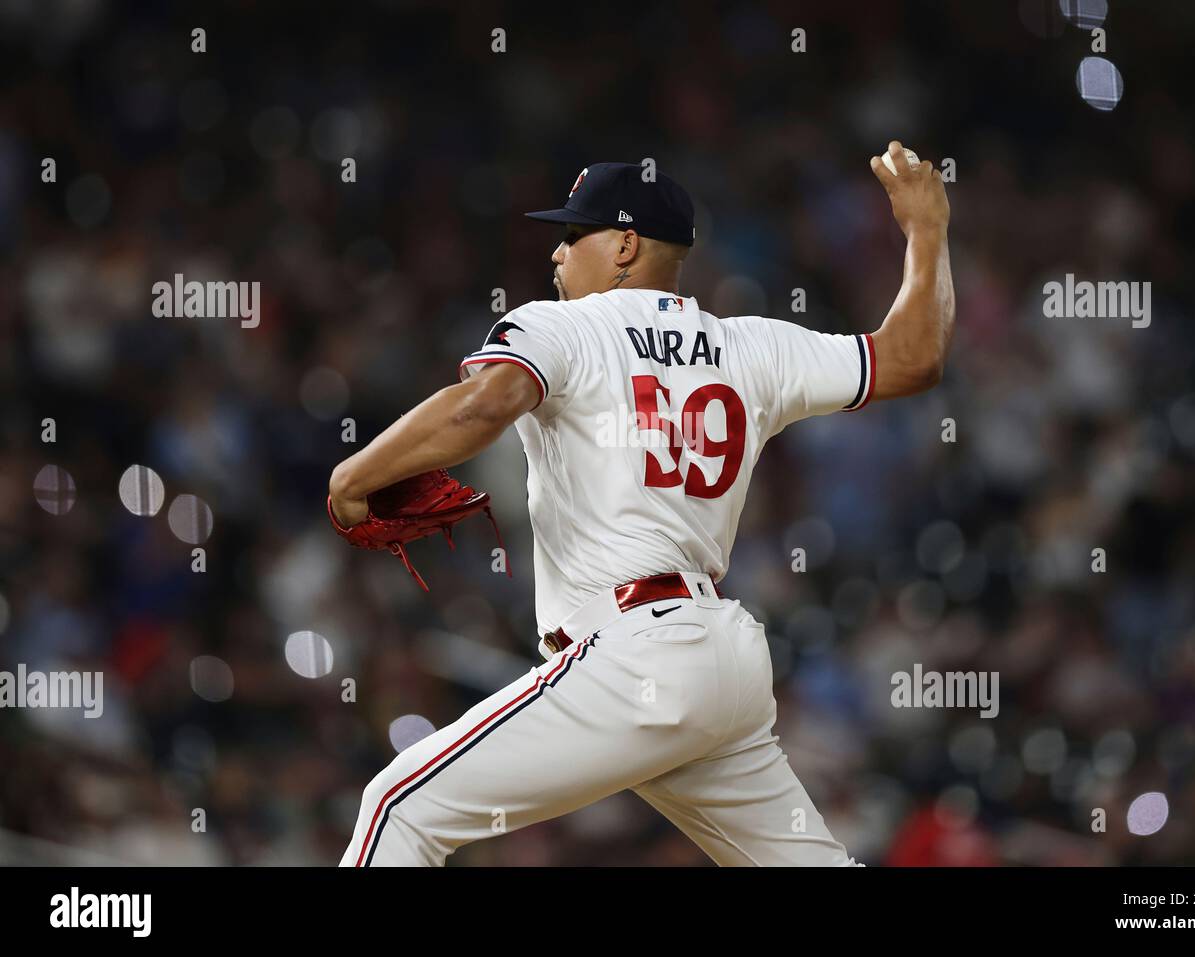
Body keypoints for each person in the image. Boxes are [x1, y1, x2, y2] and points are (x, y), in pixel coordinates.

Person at [329, 144, 954, 866]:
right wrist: (928, 231)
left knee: (397, 807)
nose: (558, 256)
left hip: (631, 659)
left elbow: (483, 405)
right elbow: (912, 358)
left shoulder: (564, 326)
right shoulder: (748, 345)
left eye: (573, 235)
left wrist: (352, 476)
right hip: (721, 661)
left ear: (625, 243)